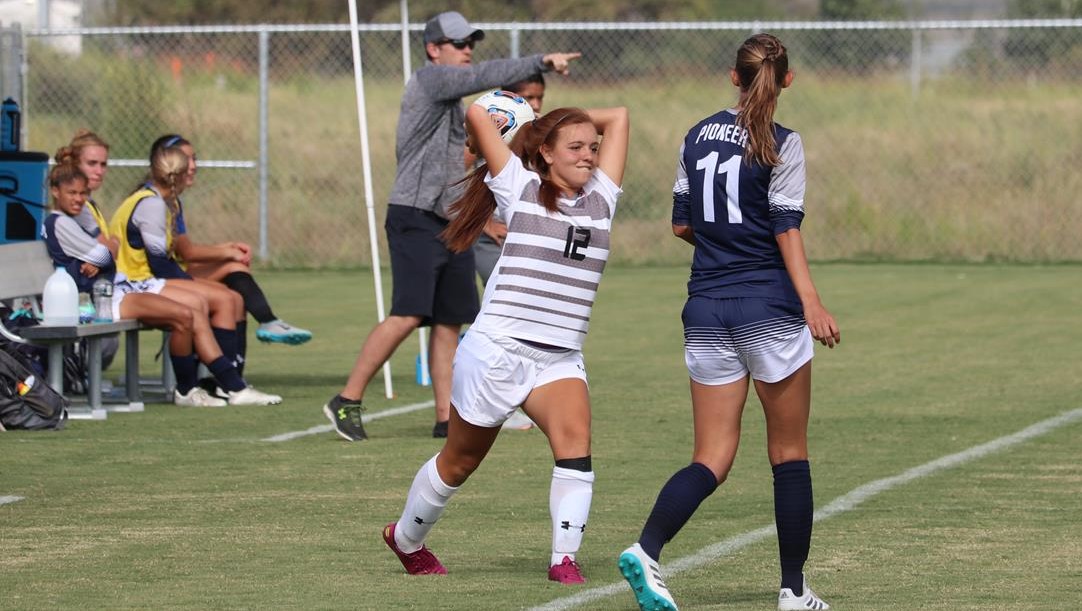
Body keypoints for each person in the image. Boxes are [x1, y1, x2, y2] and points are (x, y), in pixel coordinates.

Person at [617, 34, 839, 611]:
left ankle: (646, 550)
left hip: (706, 308)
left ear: (733, 78)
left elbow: (681, 225)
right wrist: (810, 299)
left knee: (711, 457)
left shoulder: (695, 135)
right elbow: (786, 226)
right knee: (789, 452)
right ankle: (794, 590)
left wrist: (724, 241)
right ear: (786, 80)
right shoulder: (783, 143)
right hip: (768, 306)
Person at [381, 102, 629, 585]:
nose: (588, 156)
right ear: (547, 154)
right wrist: (534, 126)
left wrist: (567, 126)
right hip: (498, 351)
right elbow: (476, 113)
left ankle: (564, 559)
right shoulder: (521, 186)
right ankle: (406, 539)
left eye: (592, 148)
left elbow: (618, 115)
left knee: (575, 448)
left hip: (558, 358)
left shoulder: (602, 196)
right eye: (575, 148)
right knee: (459, 462)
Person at [322, 10, 581, 441]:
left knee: (449, 322)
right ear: (433, 49)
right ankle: (346, 400)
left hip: (449, 221)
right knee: (408, 315)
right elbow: (481, 76)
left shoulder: (452, 100)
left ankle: (446, 418)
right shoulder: (428, 82)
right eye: (459, 44)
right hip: (414, 216)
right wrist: (539, 61)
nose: (466, 52)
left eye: (470, 44)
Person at [43, 154, 270, 407]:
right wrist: (103, 254)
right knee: (185, 315)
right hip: (95, 301)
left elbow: (109, 251)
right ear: (54, 191)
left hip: (114, 289)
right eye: (72, 193)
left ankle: (225, 387)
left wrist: (103, 254)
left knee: (190, 312)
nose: (79, 199)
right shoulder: (60, 222)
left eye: (83, 193)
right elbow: (106, 254)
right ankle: (206, 388)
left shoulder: (79, 215)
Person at [108, 142, 281, 405]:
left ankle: (228, 384)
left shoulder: (162, 201)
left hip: (145, 280)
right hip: (134, 283)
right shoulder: (152, 204)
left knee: (228, 297)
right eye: (188, 164)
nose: (194, 169)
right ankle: (223, 385)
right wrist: (192, 284)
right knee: (214, 300)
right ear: (175, 176)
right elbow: (158, 263)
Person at [149, 134, 312, 348]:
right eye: (186, 159)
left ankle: (234, 372)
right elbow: (187, 253)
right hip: (152, 281)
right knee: (229, 288)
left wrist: (227, 248)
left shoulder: (171, 200)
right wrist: (228, 252)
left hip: (168, 274)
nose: (193, 166)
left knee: (235, 294)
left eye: (194, 159)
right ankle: (265, 325)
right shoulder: (154, 201)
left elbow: (181, 251)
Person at [469, 75, 547, 432]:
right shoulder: (493, 157)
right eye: (528, 99)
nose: (536, 105)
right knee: (497, 321)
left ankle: (510, 394)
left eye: (539, 98)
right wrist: (488, 226)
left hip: (520, 250)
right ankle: (497, 398)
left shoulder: (530, 156)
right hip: (491, 244)